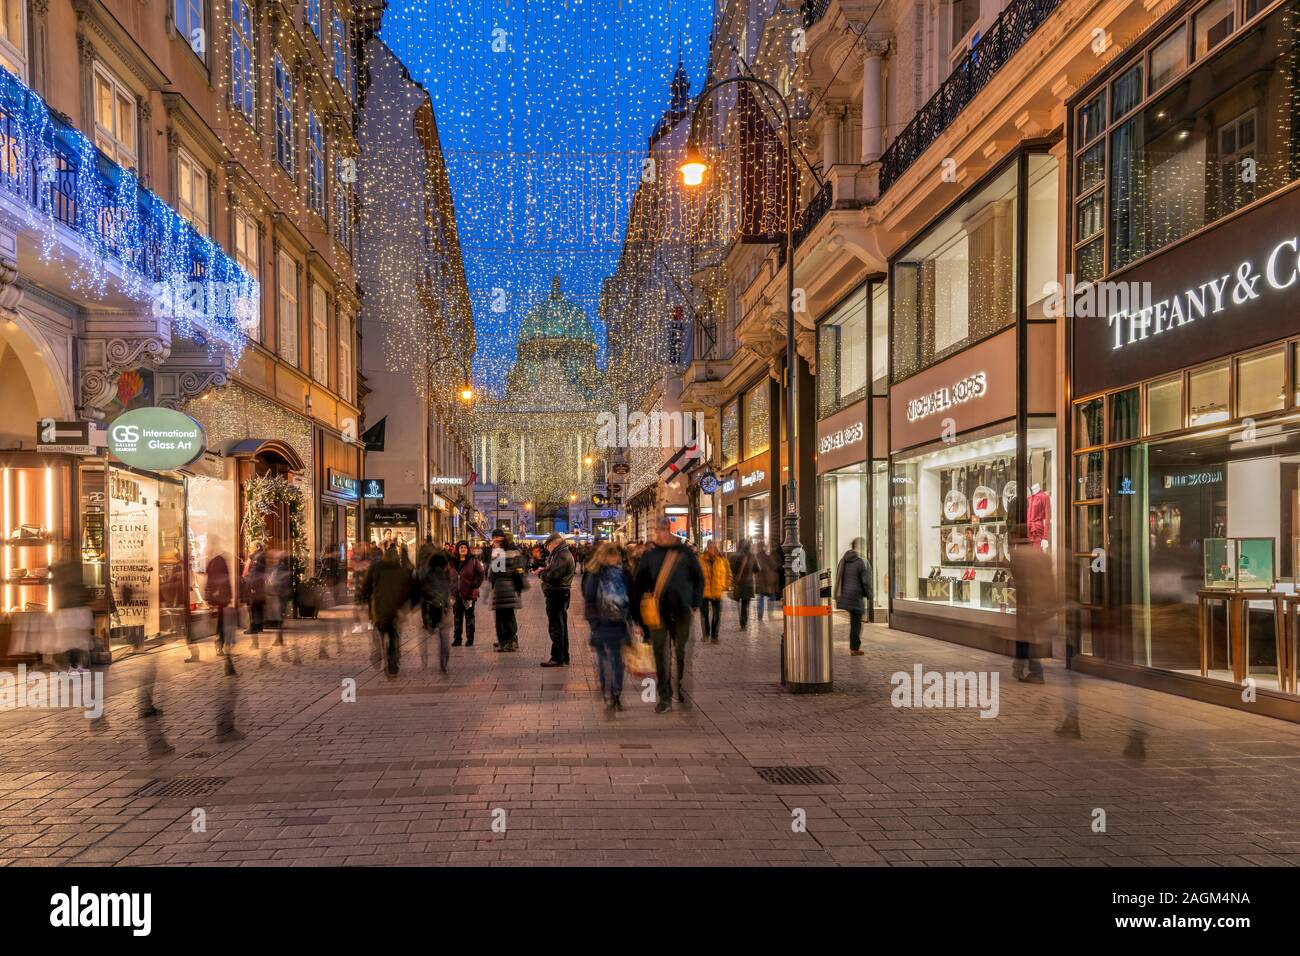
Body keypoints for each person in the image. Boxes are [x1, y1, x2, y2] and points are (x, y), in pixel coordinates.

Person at [630, 517, 703, 713]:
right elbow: (638, 585)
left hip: (681, 610)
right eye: (656, 530)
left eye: (662, 530)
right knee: (660, 653)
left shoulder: (685, 553)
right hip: (657, 612)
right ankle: (664, 695)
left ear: (668, 530)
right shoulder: (650, 556)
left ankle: (678, 686)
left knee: (680, 651)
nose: (659, 534)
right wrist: (638, 616)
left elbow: (698, 578)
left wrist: (695, 602)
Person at [583, 541, 632, 711]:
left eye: (616, 555)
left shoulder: (622, 573)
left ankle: (614, 694)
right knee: (605, 660)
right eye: (612, 555)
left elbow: (631, 596)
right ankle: (608, 692)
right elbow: (589, 599)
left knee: (616, 661)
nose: (615, 558)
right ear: (605, 556)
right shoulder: (595, 575)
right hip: (603, 622)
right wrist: (594, 622)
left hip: (617, 623)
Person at [1009, 528, 1053, 683]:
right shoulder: (1040, 555)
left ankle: (1032, 671)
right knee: (1030, 637)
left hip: (1028, 603)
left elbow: (1018, 580)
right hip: (1038, 602)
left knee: (1027, 637)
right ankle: (1023, 668)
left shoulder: (1019, 555)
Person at [369, 547, 411, 677]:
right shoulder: (401, 571)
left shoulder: (375, 569)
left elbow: (365, 587)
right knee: (393, 636)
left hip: (379, 610)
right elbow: (408, 591)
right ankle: (392, 663)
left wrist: (364, 601)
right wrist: (406, 607)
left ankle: (378, 650)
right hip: (395, 611)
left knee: (380, 632)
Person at [415, 541, 455, 673]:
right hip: (443, 604)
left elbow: (415, 585)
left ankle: (424, 660)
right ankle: (444, 661)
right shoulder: (444, 566)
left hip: (426, 605)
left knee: (423, 633)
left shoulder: (421, 570)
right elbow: (452, 581)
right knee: (443, 634)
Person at [540, 532, 575, 667]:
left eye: (548, 545)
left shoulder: (561, 554)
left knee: (556, 626)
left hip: (557, 593)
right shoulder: (561, 554)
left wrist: (542, 574)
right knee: (560, 625)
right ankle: (563, 655)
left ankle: (557, 657)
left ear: (554, 543)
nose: (547, 548)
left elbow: (555, 575)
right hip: (560, 593)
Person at [489, 531, 527, 652]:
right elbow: (518, 569)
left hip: (502, 588)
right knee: (508, 616)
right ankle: (509, 641)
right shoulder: (513, 552)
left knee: (502, 617)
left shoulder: (499, 552)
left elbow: (495, 572)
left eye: (497, 539)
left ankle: (506, 641)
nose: (495, 540)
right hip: (509, 587)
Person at [835, 538, 872, 657]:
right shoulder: (860, 562)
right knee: (856, 623)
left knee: (854, 621)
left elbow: (838, 576)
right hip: (855, 596)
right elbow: (865, 582)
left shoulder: (843, 560)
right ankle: (854, 648)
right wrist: (869, 594)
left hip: (846, 595)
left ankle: (854, 647)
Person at [450, 540, 484, 647]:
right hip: (456, 594)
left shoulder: (473, 560)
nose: (463, 549)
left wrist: (474, 585)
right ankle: (457, 639)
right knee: (457, 617)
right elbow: (446, 575)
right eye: (461, 547)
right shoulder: (452, 562)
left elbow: (481, 574)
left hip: (468, 594)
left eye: (465, 547)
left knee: (469, 617)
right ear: (458, 549)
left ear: (467, 549)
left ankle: (470, 639)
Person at [698, 539, 731, 644]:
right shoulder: (701, 560)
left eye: (714, 547)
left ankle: (714, 637)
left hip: (716, 591)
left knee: (717, 614)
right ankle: (706, 635)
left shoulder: (721, 560)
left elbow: (728, 574)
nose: (712, 549)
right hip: (704, 591)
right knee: (704, 614)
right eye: (710, 547)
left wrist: (724, 585)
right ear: (707, 548)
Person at [241, 543, 267, 647]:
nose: (249, 548)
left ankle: (253, 627)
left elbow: (254, 573)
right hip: (258, 585)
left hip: (253, 585)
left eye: (251, 546)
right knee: (258, 606)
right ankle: (259, 626)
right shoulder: (261, 556)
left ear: (257, 547)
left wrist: (251, 586)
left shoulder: (257, 557)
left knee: (252, 606)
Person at [733, 538, 758, 629]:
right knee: (745, 604)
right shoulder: (752, 556)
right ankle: (743, 623)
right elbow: (757, 569)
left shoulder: (736, 556)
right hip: (749, 584)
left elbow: (733, 570)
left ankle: (742, 622)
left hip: (740, 584)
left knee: (740, 604)